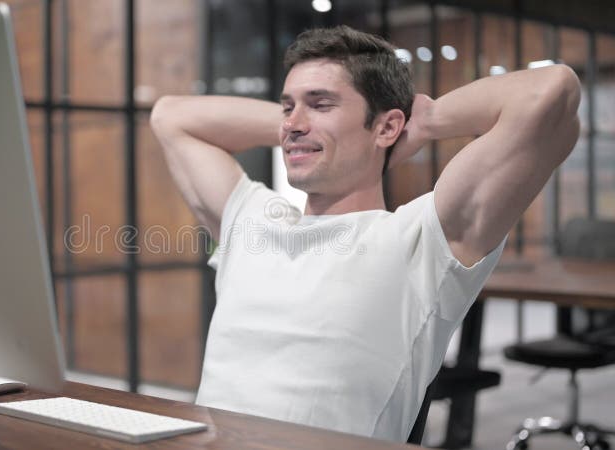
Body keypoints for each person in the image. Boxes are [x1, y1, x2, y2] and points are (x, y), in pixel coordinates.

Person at [149, 26, 580, 441]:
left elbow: (550, 92)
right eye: (287, 106)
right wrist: (309, 128)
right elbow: (171, 116)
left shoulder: (423, 239)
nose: (292, 122)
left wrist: (424, 122)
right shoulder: (251, 219)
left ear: (389, 126)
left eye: (320, 103)